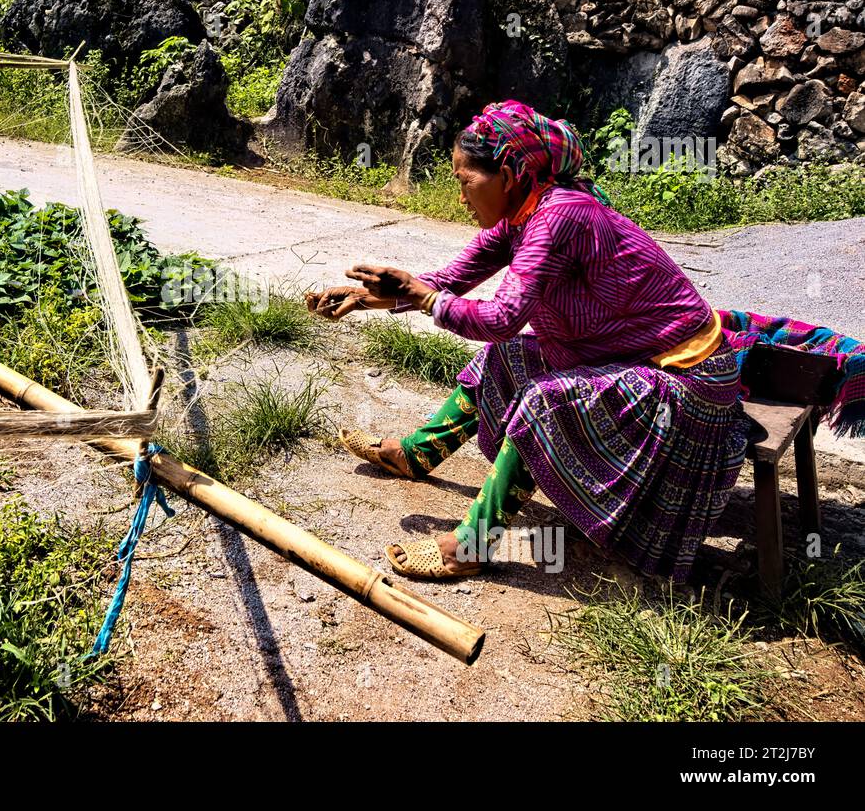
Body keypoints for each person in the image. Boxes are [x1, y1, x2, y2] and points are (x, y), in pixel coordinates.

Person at [305, 100, 748, 582]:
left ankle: (469, 547)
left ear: (510, 173)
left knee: (545, 402)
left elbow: (500, 317)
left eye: (464, 180)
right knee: (506, 360)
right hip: (630, 359)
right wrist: (367, 297)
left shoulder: (559, 217)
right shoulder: (522, 216)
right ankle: (417, 453)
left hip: (688, 382)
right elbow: (450, 280)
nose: (460, 197)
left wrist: (421, 296)